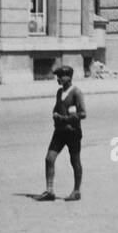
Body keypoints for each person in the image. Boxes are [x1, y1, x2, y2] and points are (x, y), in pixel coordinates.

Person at [39, 66, 85, 202]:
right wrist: (54, 113)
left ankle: (76, 191)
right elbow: (57, 106)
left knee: (74, 160)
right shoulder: (59, 92)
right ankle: (49, 191)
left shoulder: (76, 92)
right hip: (59, 132)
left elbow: (83, 113)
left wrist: (65, 118)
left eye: (60, 76)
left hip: (73, 132)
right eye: (57, 76)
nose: (58, 79)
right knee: (49, 159)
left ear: (69, 77)